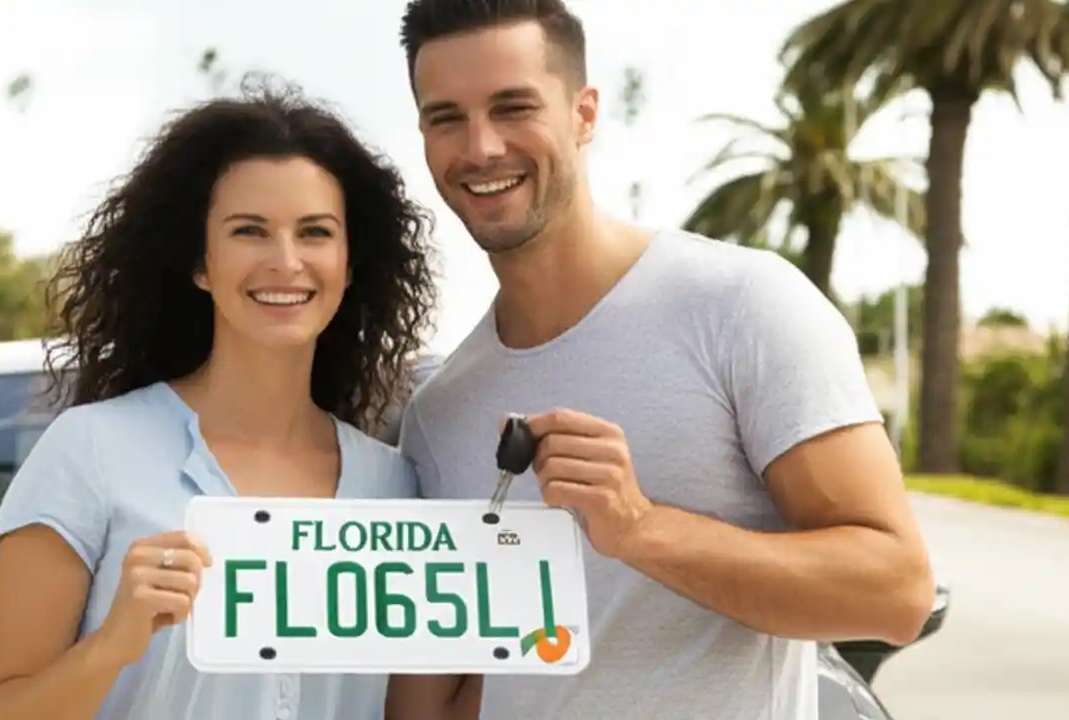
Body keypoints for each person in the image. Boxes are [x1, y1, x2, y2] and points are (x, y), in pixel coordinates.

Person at [386, 2, 937, 719]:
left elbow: (895, 593)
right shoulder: (439, 414)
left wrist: (641, 529)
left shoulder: (742, 307)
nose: (482, 145)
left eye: (513, 106)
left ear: (584, 114)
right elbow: (459, 686)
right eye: (446, 117)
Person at [0, 79, 475, 720]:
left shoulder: (394, 486)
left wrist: (533, 631)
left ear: (350, 265)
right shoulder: (89, 452)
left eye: (315, 232)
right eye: (249, 231)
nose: (286, 261)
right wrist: (112, 646)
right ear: (201, 264)